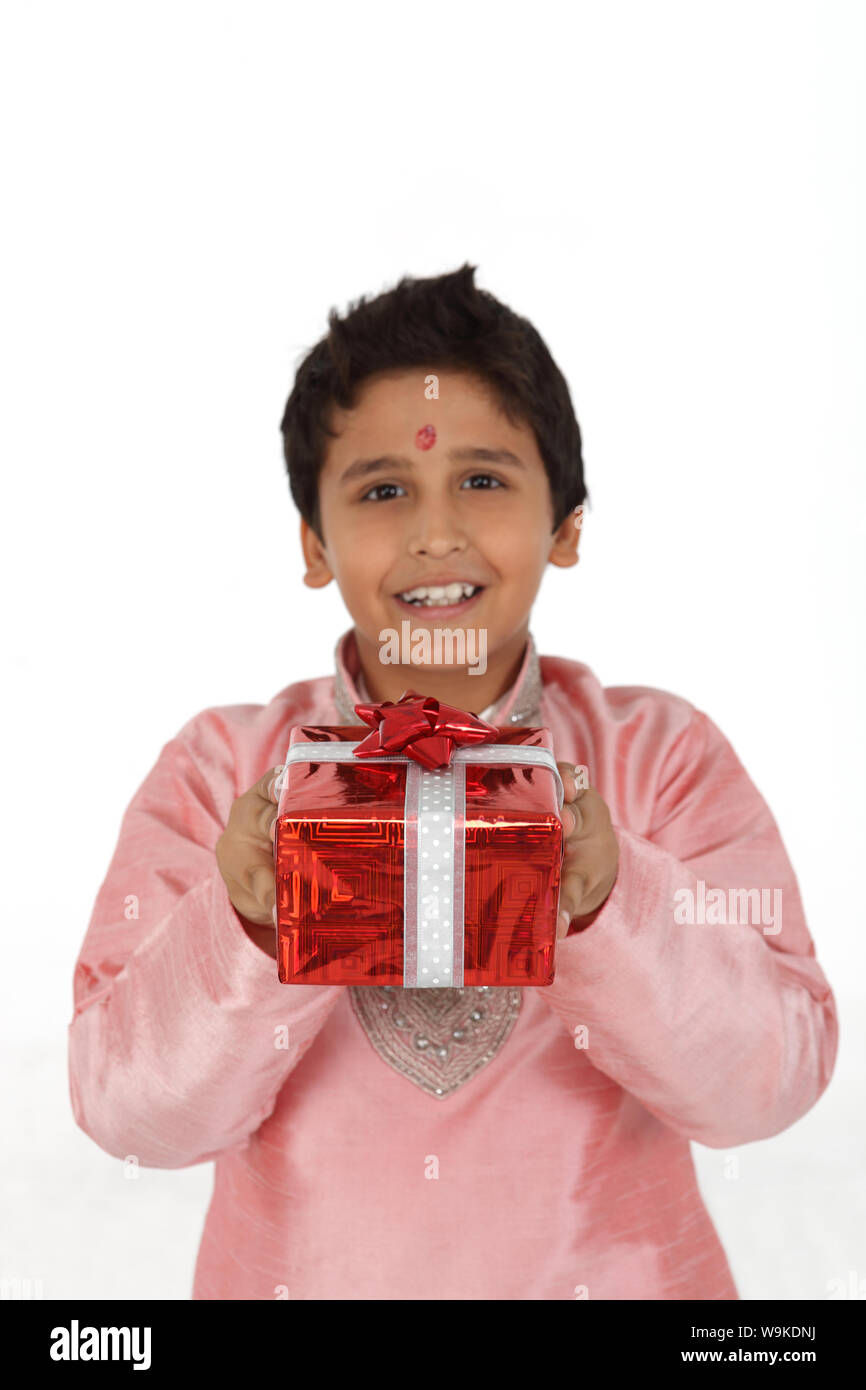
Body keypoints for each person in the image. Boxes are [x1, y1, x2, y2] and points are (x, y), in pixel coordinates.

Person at [68, 263, 838, 1300]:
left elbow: (765, 1090)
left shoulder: (660, 757)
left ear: (565, 525)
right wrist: (250, 920)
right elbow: (129, 1116)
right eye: (382, 489)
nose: (435, 532)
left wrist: (609, 904)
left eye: (482, 479)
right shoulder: (224, 775)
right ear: (311, 542)